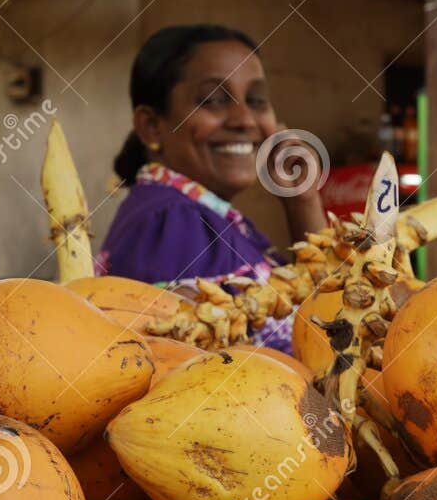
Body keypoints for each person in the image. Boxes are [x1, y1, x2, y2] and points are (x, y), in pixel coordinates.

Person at [96, 25, 328, 349]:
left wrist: (302, 202)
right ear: (151, 126)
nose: (244, 119)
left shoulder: (199, 217)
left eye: (256, 100)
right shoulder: (173, 223)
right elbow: (210, 377)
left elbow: (331, 311)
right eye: (214, 100)